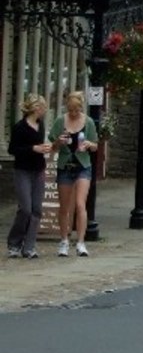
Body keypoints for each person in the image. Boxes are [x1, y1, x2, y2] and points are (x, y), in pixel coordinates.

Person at [49, 90, 99, 257]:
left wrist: (88, 144)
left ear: (80, 108)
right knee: (64, 206)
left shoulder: (89, 122)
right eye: (70, 110)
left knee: (80, 204)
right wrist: (58, 142)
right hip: (65, 166)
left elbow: (95, 145)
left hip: (83, 166)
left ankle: (81, 242)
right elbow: (53, 146)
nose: (73, 113)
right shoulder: (59, 121)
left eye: (76, 110)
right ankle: (64, 241)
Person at [6, 94, 52, 258]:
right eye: (43, 107)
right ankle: (14, 242)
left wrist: (44, 149)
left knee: (37, 209)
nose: (45, 110)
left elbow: (40, 146)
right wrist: (33, 149)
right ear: (35, 108)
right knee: (25, 208)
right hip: (23, 170)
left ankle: (29, 247)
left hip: (38, 169)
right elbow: (12, 150)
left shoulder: (41, 125)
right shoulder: (20, 127)